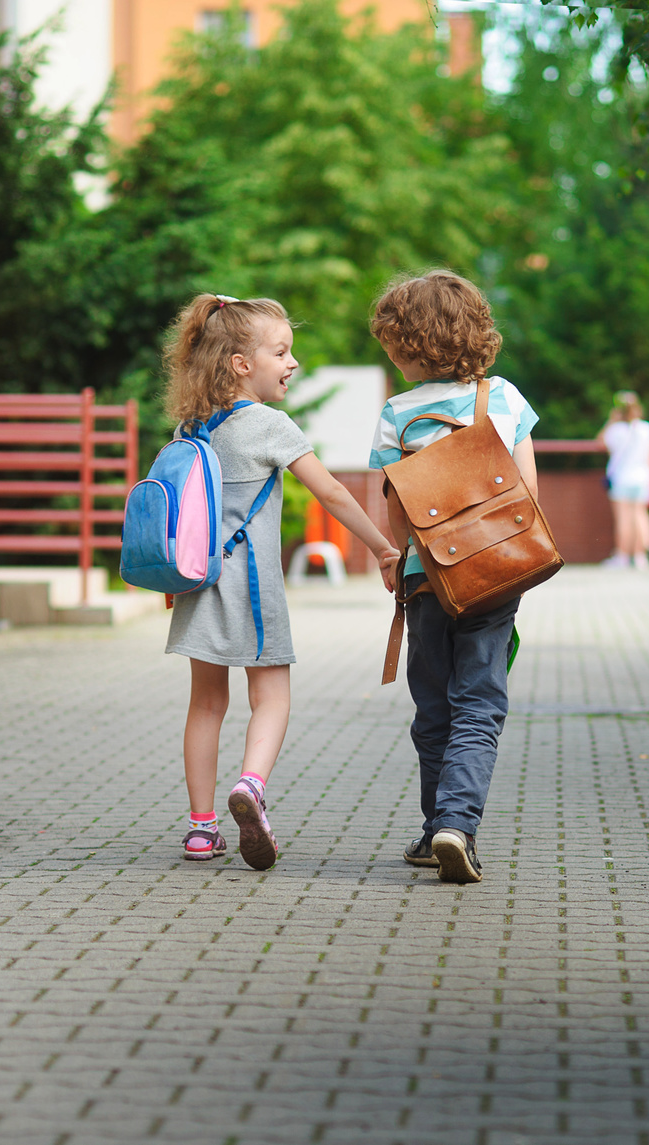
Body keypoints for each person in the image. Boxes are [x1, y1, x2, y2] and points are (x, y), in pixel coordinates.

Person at [163, 294, 399, 870]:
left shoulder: (189, 427)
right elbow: (333, 492)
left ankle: (200, 831)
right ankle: (250, 785)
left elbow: (176, 510)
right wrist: (383, 548)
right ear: (242, 364)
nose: (292, 362)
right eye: (281, 351)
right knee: (271, 696)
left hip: (197, 584)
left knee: (205, 705)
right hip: (252, 588)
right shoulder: (269, 424)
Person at [367, 270, 540, 885]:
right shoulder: (505, 400)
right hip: (494, 571)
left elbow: (395, 503)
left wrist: (395, 559)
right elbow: (527, 491)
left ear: (410, 346)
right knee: (480, 703)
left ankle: (433, 825)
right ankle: (455, 826)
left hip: (426, 579)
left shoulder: (395, 415)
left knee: (434, 704)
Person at [596, 391, 649, 569]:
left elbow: (600, 442)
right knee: (639, 515)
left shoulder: (615, 430)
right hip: (643, 477)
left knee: (623, 518)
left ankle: (622, 556)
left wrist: (610, 420)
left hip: (622, 478)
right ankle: (640, 558)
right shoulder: (647, 429)